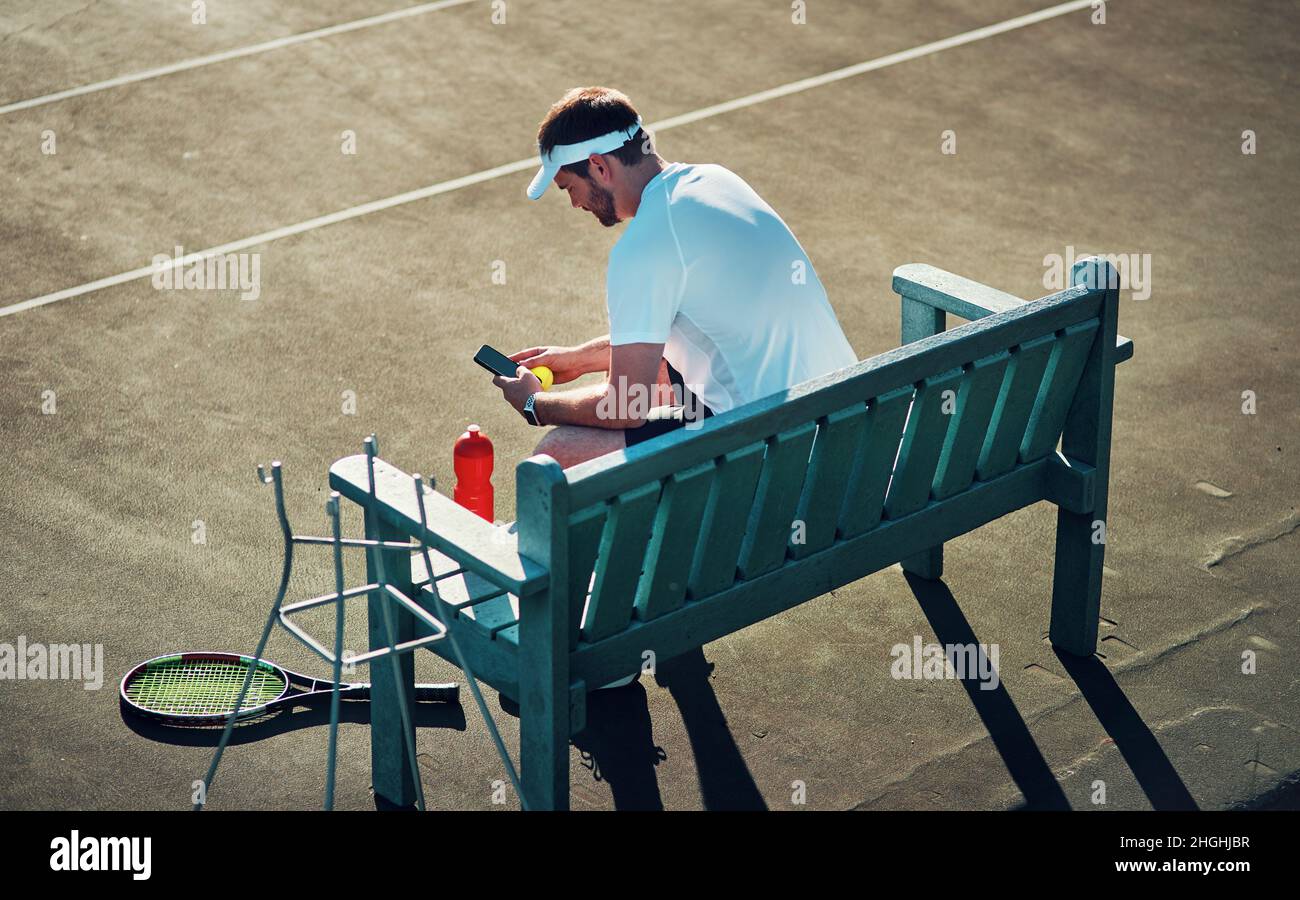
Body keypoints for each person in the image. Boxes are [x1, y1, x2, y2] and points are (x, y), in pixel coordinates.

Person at [493, 86, 858, 468]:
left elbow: (626, 406)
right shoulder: (719, 181)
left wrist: (535, 403)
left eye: (570, 187)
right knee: (668, 384)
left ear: (600, 167)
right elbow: (686, 330)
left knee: (559, 451)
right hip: (852, 421)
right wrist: (580, 359)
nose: (575, 203)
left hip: (787, 454)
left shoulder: (641, 248)